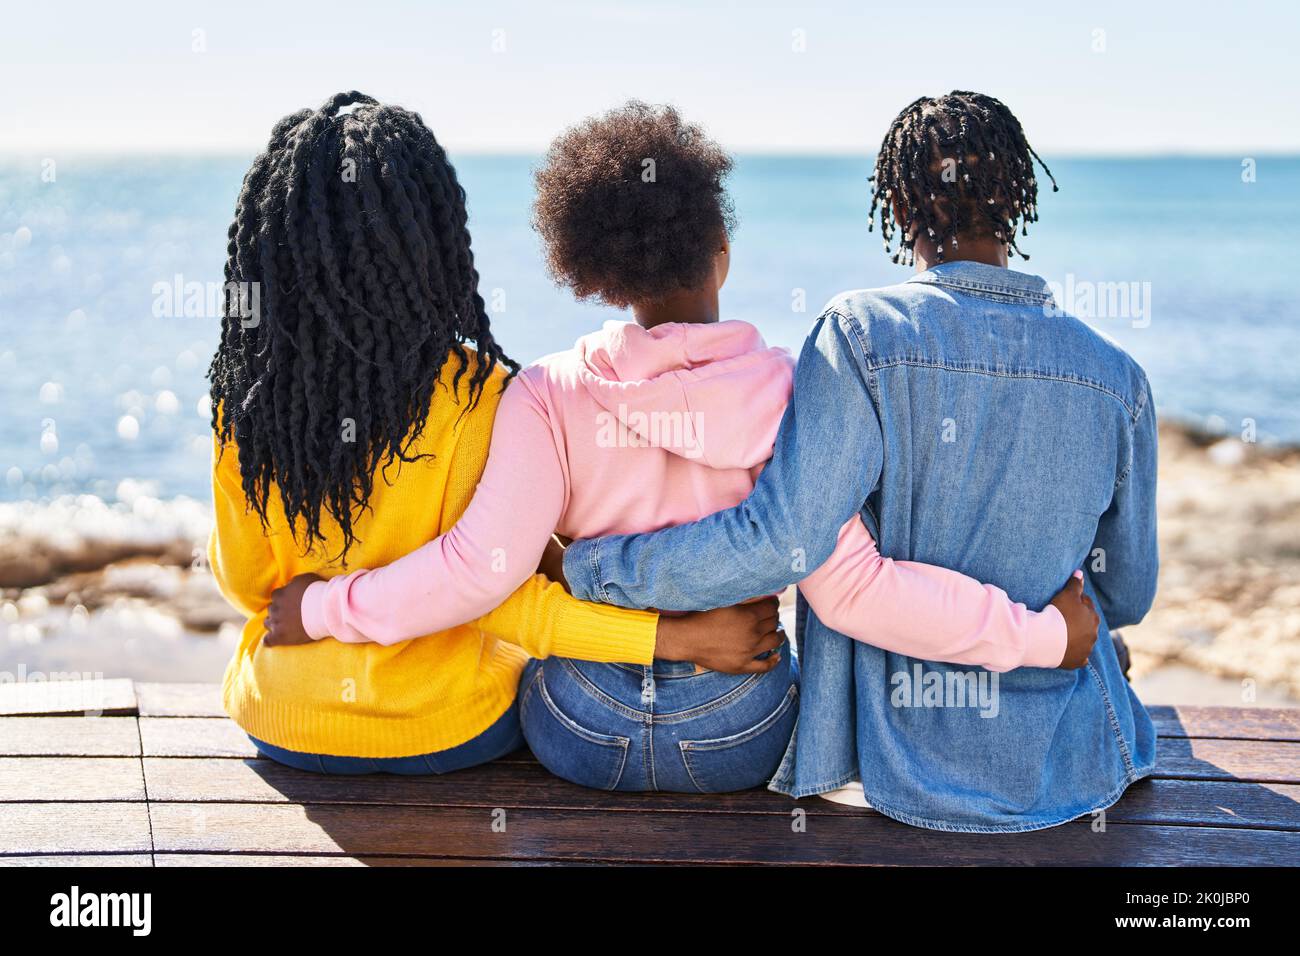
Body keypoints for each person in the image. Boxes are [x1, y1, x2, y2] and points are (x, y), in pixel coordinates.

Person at [264, 101, 1099, 794]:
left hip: (578, 726)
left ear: (601, 276)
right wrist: (1034, 637)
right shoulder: (791, 390)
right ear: (722, 255)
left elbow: (476, 570)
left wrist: (322, 608)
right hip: (739, 726)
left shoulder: (546, 392)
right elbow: (850, 590)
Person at [550, 92, 1158, 829]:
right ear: (1016, 197)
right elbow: (1123, 594)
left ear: (897, 208)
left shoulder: (861, 336)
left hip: (890, 766)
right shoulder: (1117, 376)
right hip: (1076, 761)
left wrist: (591, 566)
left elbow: (782, 542)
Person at [207, 92, 780, 776]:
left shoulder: (244, 398)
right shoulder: (479, 395)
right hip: (450, 731)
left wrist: (319, 592)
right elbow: (503, 602)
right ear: (432, 244)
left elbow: (249, 589)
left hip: (284, 723)